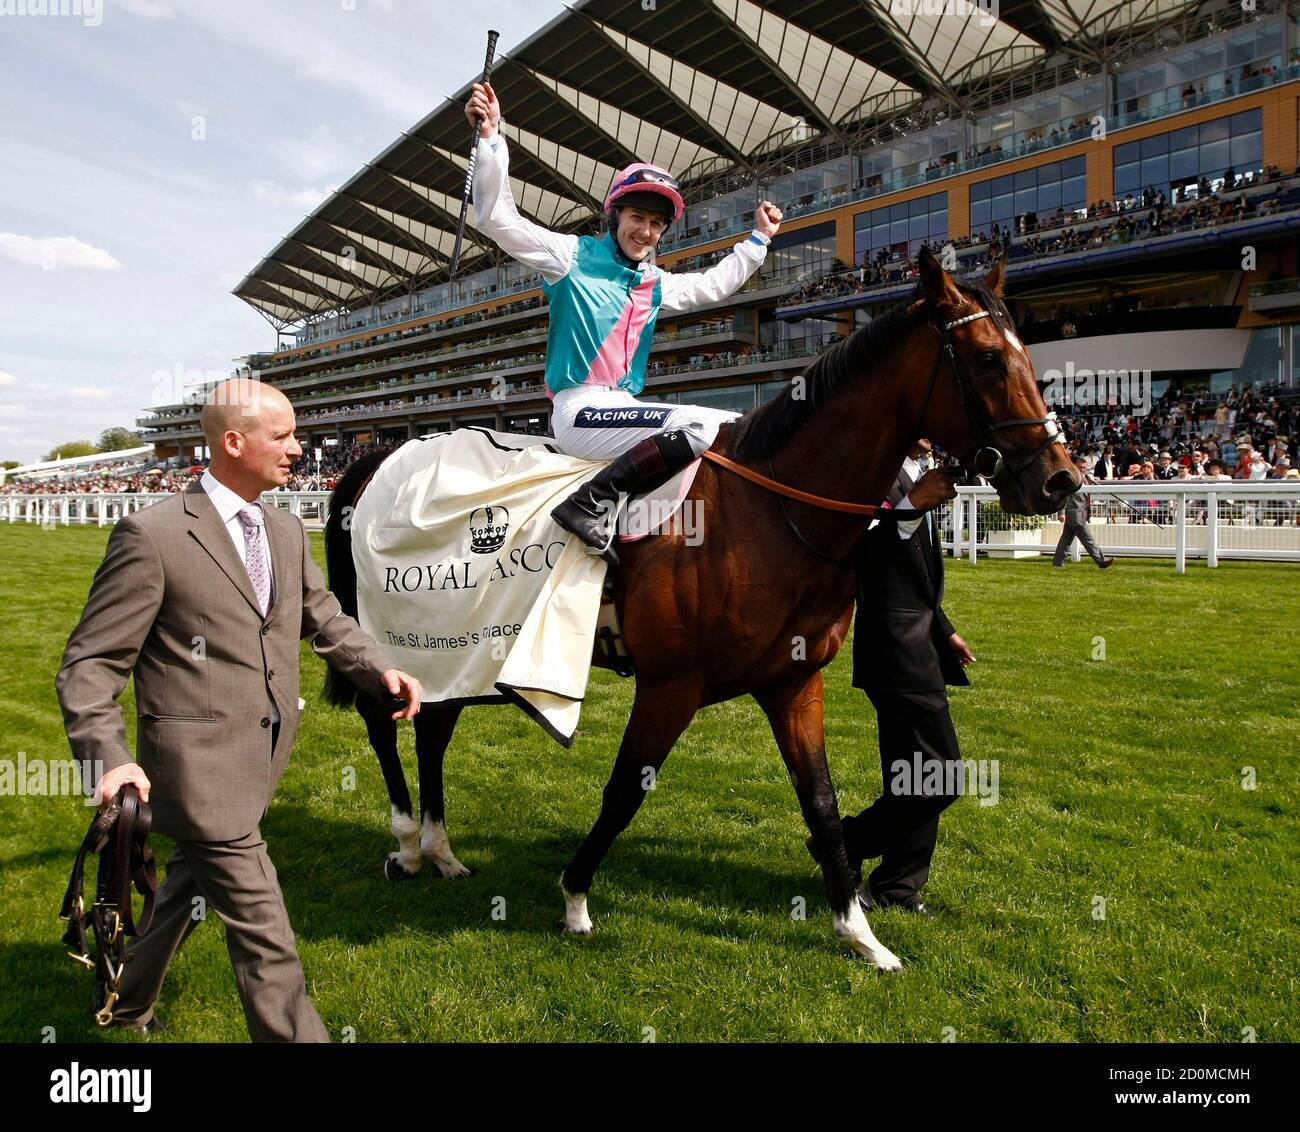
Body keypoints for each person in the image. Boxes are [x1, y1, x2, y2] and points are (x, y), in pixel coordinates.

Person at [55, 379, 423, 1041]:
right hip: (195, 771)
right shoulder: (152, 535)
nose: (298, 448)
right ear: (233, 441)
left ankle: (126, 1001)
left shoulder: (282, 528)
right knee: (266, 934)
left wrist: (378, 666)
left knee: (183, 892)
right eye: (282, 435)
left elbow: (324, 618)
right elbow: (90, 665)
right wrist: (108, 760)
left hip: (263, 758)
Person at [465, 80, 782, 562]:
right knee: (696, 425)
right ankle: (587, 503)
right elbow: (497, 219)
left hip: (621, 409)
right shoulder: (570, 255)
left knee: (738, 424)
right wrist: (491, 138)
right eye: (637, 217)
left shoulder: (653, 281)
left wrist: (758, 241)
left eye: (656, 224)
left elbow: (712, 285)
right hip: (578, 412)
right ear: (615, 215)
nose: (647, 231)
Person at [821, 441, 971, 915]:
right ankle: (845, 843)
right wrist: (911, 506)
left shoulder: (912, 470)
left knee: (914, 774)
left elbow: (913, 571)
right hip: (894, 651)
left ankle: (897, 887)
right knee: (943, 777)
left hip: (919, 643)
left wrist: (944, 630)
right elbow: (862, 557)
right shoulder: (870, 470)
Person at [1053, 454, 1115, 568]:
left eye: (1084, 468)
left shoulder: (1085, 478)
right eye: (1080, 467)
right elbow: (1062, 496)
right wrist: (1061, 513)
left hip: (1079, 514)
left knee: (1065, 540)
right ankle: (1101, 561)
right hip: (1075, 515)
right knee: (1088, 539)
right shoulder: (1070, 479)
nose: (1082, 470)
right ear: (1074, 466)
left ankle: (1057, 563)